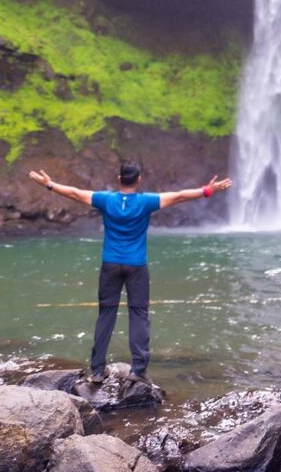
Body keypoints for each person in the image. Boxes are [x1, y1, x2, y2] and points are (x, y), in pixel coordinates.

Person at [28, 161, 231, 384]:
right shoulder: (146, 202)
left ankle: (97, 370)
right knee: (139, 314)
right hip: (136, 265)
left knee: (106, 314)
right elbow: (180, 196)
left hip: (110, 264)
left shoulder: (106, 199)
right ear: (138, 180)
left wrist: (49, 185)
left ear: (119, 179)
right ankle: (137, 370)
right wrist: (208, 190)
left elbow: (75, 193)